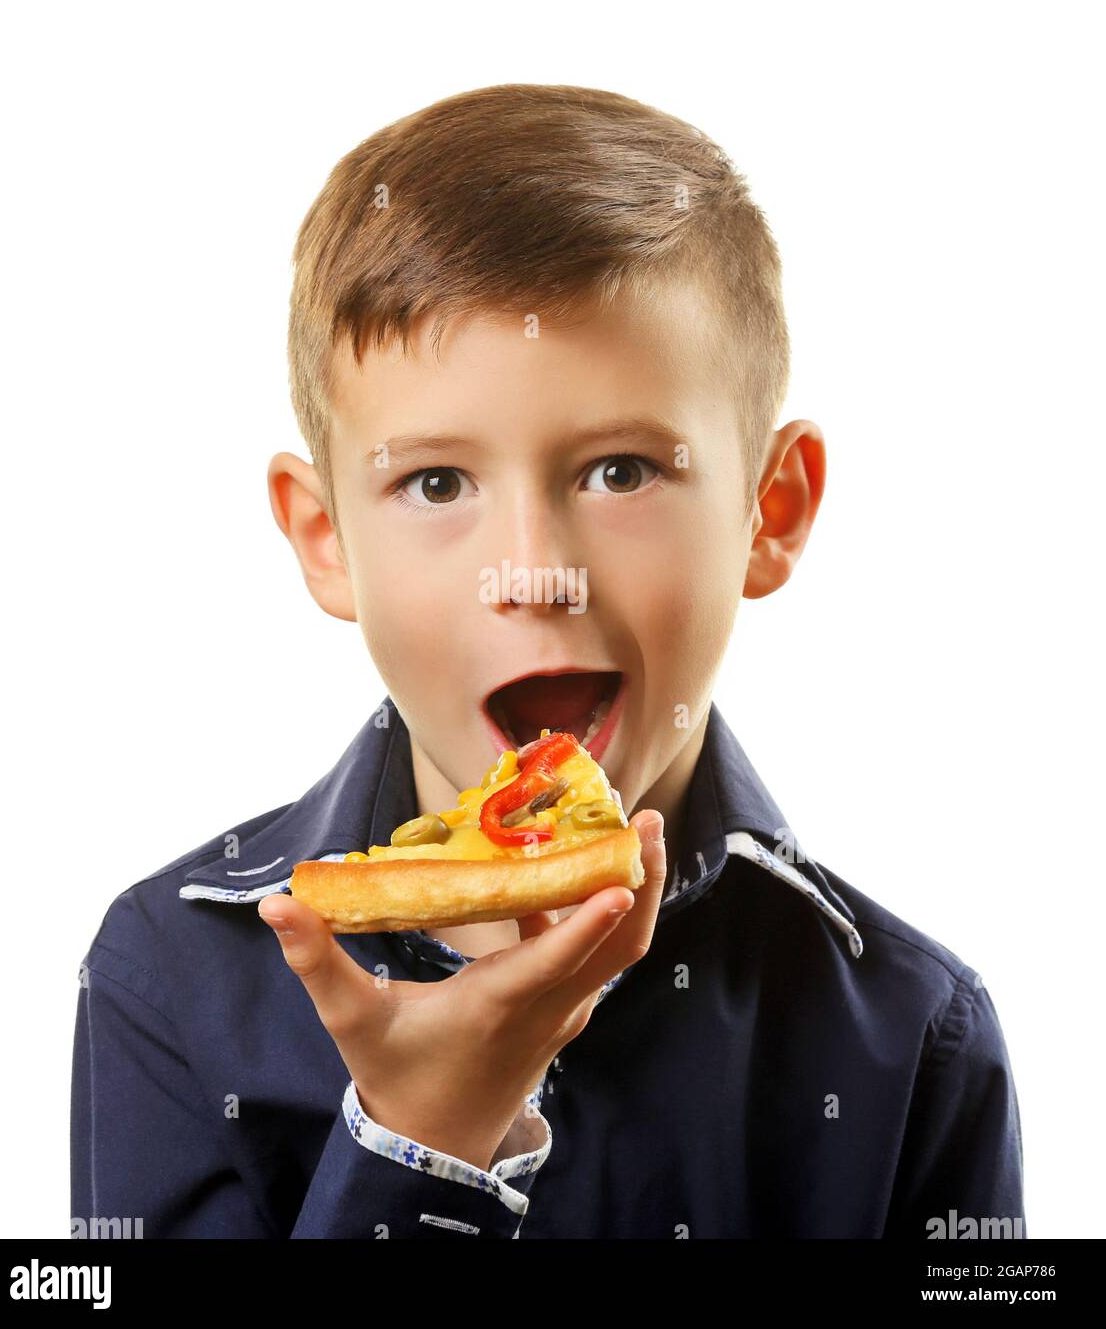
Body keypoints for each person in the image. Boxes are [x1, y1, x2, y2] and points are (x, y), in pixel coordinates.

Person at [70, 83, 1025, 1239]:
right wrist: (418, 1141)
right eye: (436, 484)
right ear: (326, 542)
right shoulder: (169, 982)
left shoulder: (917, 1038)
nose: (532, 573)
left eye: (621, 471)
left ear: (771, 510)